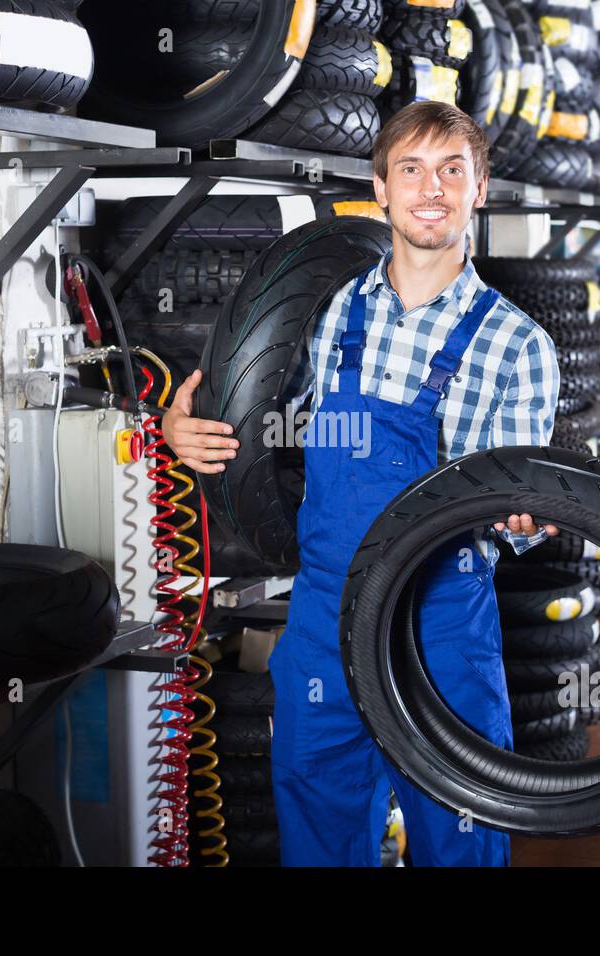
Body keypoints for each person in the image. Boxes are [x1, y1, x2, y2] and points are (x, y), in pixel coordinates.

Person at [162, 101, 560, 866]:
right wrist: (187, 434)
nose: (431, 188)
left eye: (452, 170)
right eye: (410, 169)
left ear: (481, 188)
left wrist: (527, 518)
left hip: (440, 634)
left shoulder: (520, 345)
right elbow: (255, 430)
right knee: (318, 837)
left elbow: (522, 500)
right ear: (380, 189)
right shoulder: (332, 311)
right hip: (325, 622)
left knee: (461, 842)